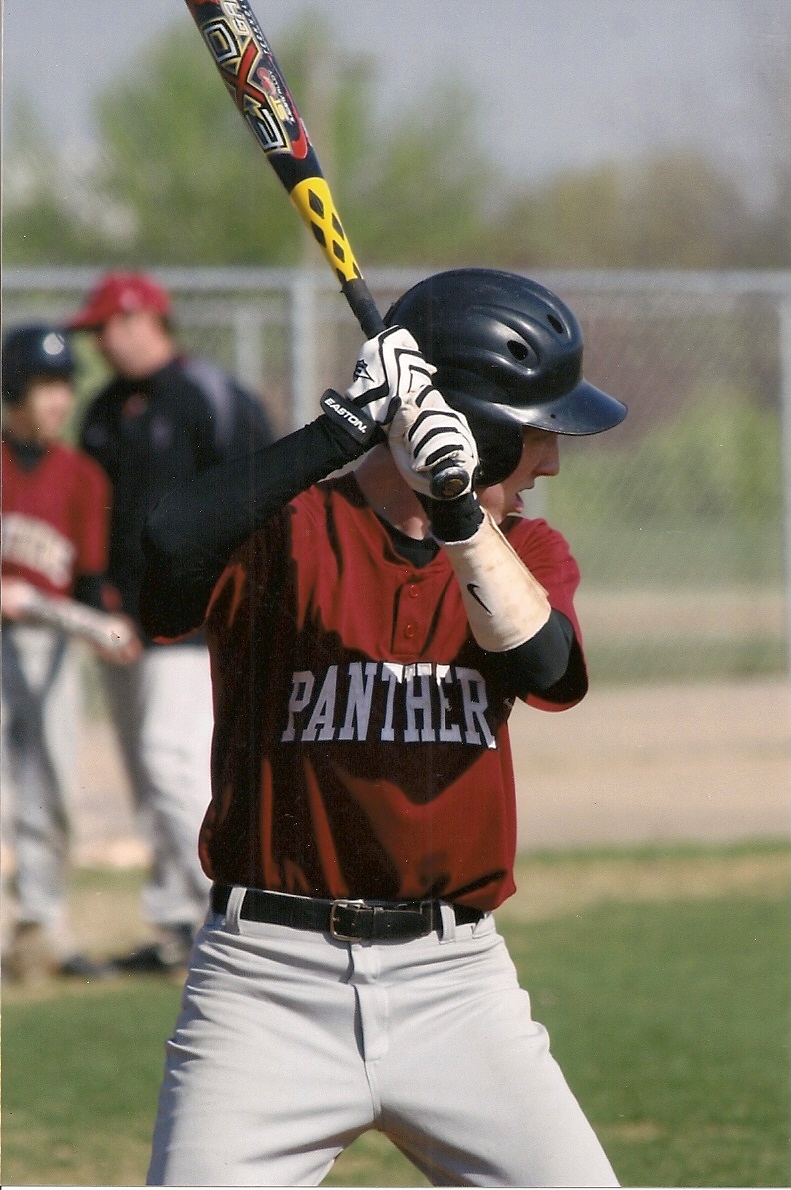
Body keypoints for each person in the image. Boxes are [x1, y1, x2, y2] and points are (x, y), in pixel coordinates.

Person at [139, 268, 627, 1186]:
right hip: (263, 985)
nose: (549, 463)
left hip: (457, 988)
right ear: (475, 426)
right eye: (532, 434)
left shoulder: (521, 549)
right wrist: (341, 430)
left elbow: (542, 664)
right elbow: (164, 554)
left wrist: (458, 515)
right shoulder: (283, 531)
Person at [67, 271, 276, 974]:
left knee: (169, 759)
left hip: (194, 617)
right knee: (143, 770)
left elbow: (259, 499)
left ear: (141, 320)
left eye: (104, 328)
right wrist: (94, 597)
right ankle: (178, 924)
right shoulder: (104, 409)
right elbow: (91, 512)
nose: (98, 344)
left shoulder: (208, 395)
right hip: (119, 620)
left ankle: (230, 910)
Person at [1, 325, 139, 984]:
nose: (58, 400)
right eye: (44, 386)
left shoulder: (83, 477)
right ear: (13, 390)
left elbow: (87, 582)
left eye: (64, 386)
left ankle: (42, 929)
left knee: (51, 787)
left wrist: (103, 626)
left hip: (49, 647)